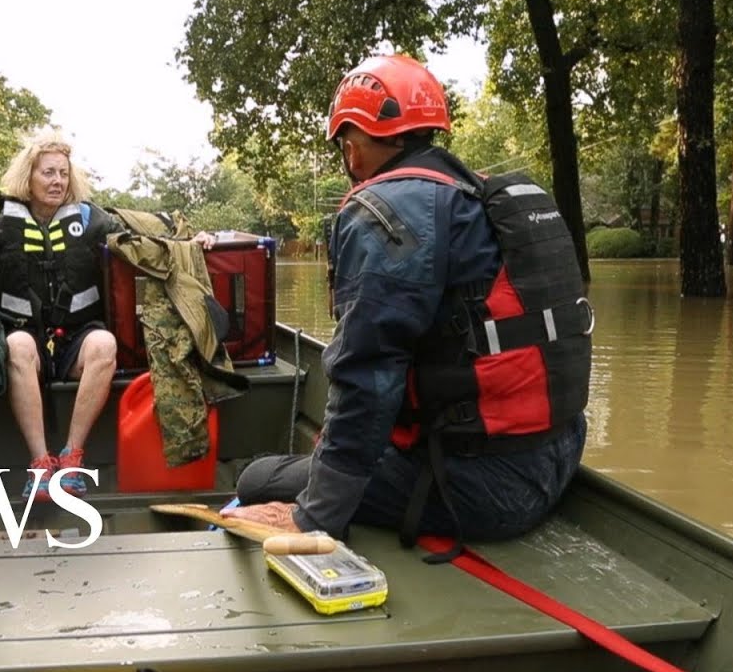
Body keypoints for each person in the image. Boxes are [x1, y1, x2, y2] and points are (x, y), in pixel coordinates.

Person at [222, 55, 591, 557]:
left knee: (257, 477)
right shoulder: (470, 194)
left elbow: (367, 380)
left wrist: (315, 517)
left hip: (487, 489)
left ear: (352, 150)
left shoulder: (385, 212)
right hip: (561, 455)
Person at [0, 129, 121, 502]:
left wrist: (189, 239)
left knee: (105, 343)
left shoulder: (93, 223)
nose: (57, 181)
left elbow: (141, 240)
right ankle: (41, 464)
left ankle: (72, 460)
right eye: (48, 173)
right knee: (17, 345)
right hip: (26, 343)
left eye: (63, 173)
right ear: (28, 176)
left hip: (77, 341)